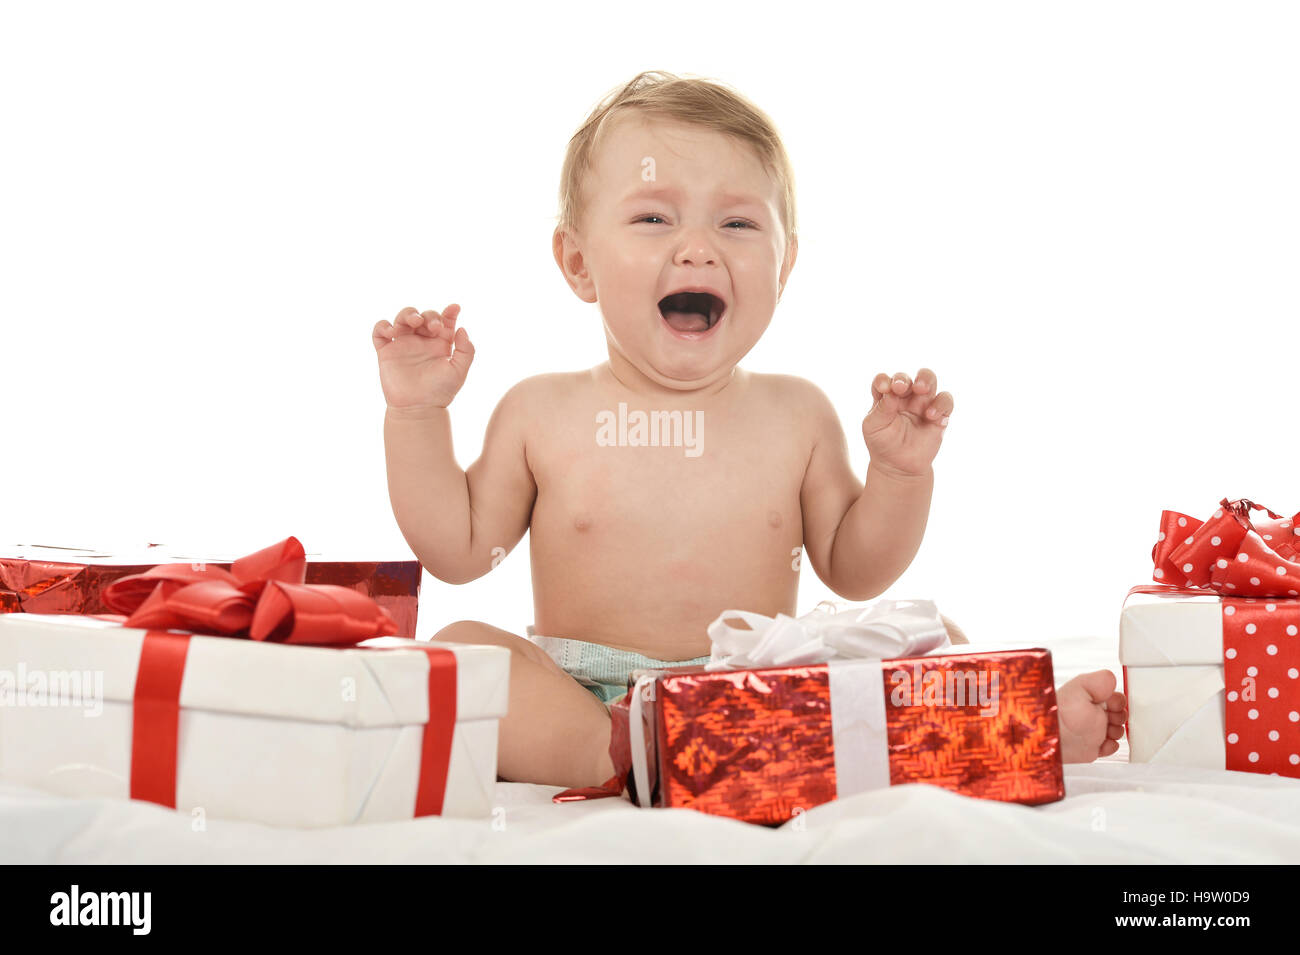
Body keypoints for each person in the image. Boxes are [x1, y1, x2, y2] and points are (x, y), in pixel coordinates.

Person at [373, 71, 1126, 789]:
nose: (698, 246)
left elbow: (853, 568)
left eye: (737, 223)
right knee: (461, 650)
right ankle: (636, 751)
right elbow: (459, 550)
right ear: (578, 263)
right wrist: (417, 413)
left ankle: (1007, 723)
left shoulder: (797, 414)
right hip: (592, 700)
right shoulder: (540, 411)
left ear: (784, 266)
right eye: (653, 217)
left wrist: (900, 475)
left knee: (935, 637)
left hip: (769, 685)